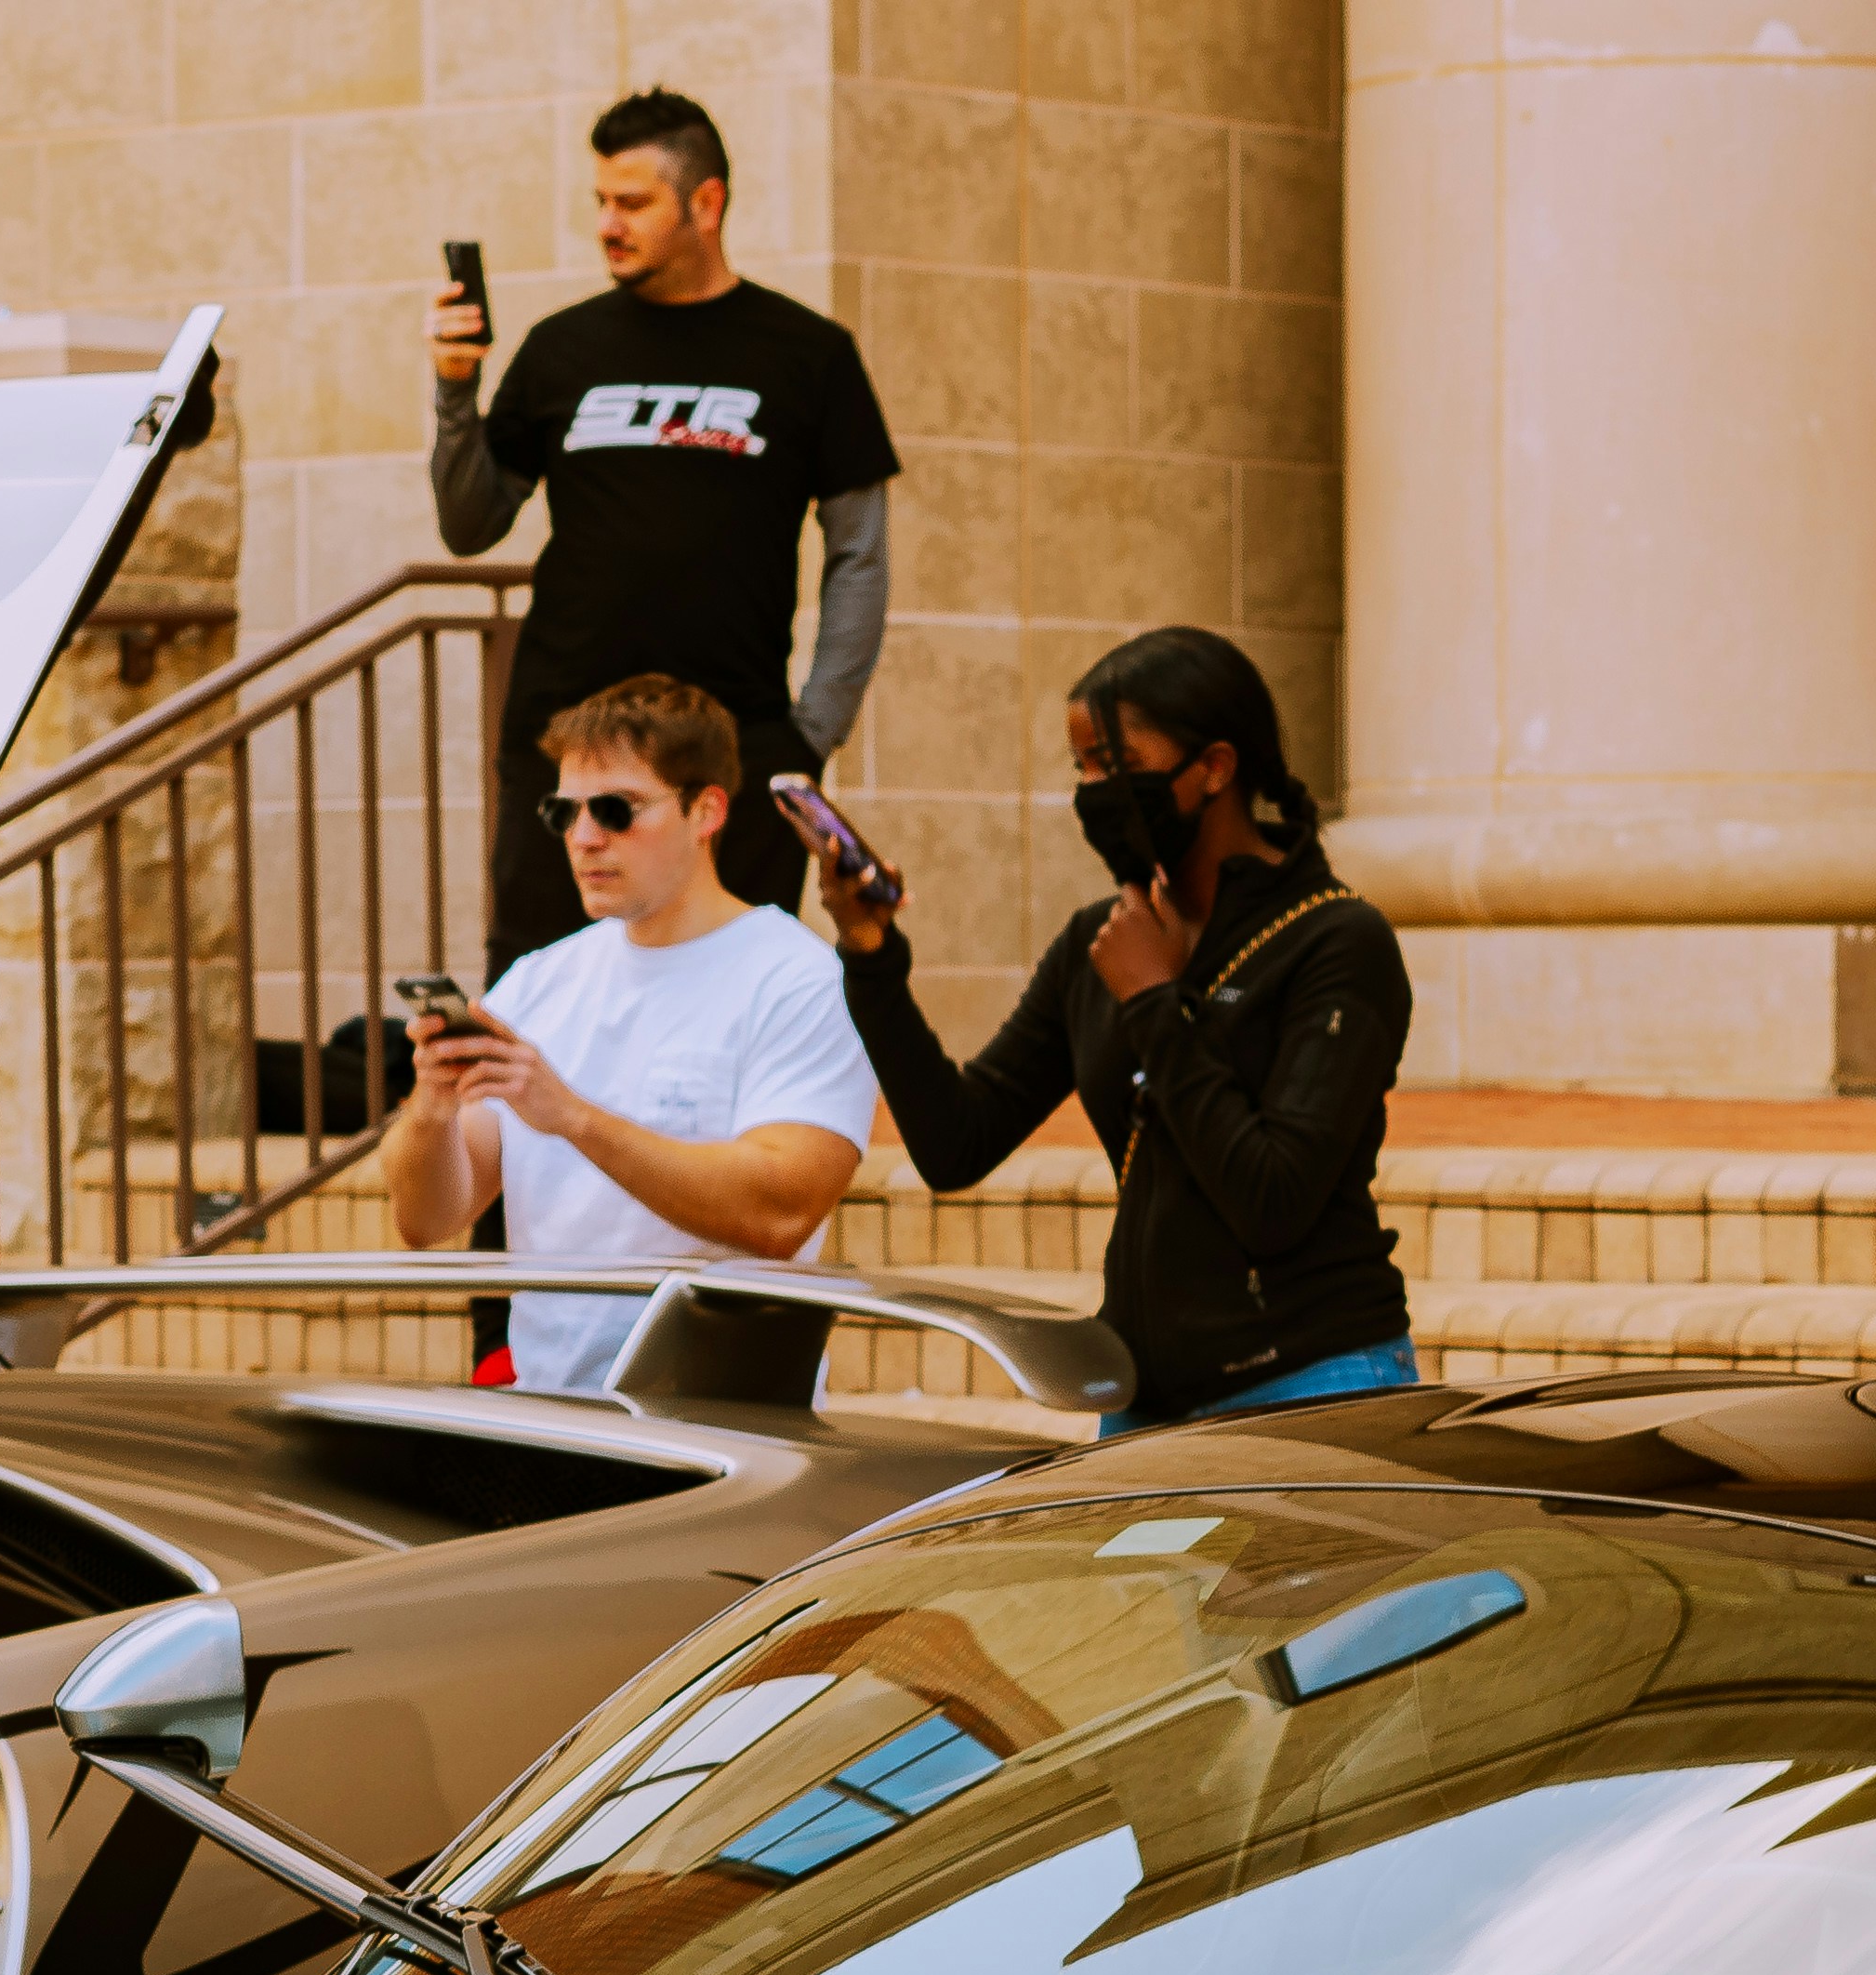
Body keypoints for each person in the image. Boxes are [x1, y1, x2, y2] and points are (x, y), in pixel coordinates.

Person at [824, 628, 1416, 1432]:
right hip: (1144, 1399)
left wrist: (1152, 1003)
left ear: (1214, 767)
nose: (1095, 791)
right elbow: (954, 1143)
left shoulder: (1336, 940)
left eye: (1118, 764)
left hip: (1312, 1377)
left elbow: (1274, 1198)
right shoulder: (1100, 943)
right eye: (1083, 768)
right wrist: (870, 954)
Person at [431, 89, 896, 961]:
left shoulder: (808, 354)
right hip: (562, 749)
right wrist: (456, 387)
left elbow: (859, 555)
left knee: (729, 992)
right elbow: (469, 522)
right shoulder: (561, 348)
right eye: (601, 202)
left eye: (633, 203)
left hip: (733, 750)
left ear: (707, 204)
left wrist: (811, 732)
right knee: (540, 995)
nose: (608, 224)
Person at [385, 676, 877, 1392]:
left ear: (706, 809)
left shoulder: (797, 978)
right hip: (552, 1417)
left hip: (731, 1433)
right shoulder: (538, 979)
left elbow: (780, 1211)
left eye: (616, 809)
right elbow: (426, 1220)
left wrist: (574, 1118)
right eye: (566, 812)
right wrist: (430, 1110)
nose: (585, 838)